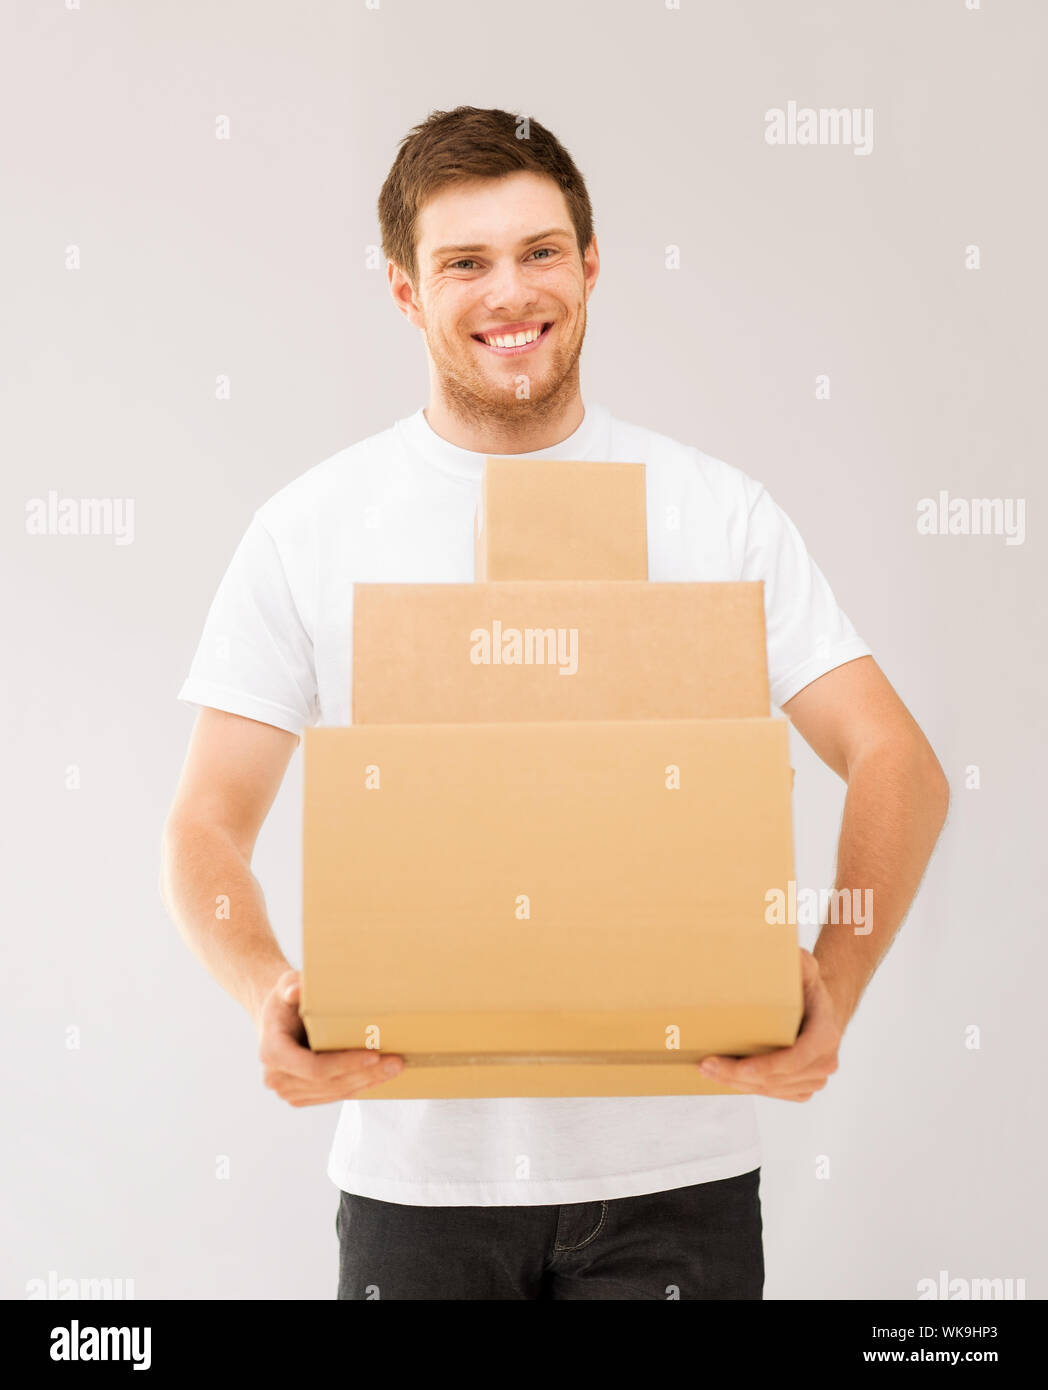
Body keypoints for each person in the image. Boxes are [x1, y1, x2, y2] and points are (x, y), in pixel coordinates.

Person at [161, 106, 949, 1301]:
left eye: (539, 252)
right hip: (417, 1182)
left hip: (674, 1175)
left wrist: (833, 983)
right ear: (403, 292)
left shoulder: (712, 511)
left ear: (590, 266)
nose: (508, 293)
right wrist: (266, 986)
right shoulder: (314, 526)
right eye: (463, 263)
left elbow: (896, 758)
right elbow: (205, 823)